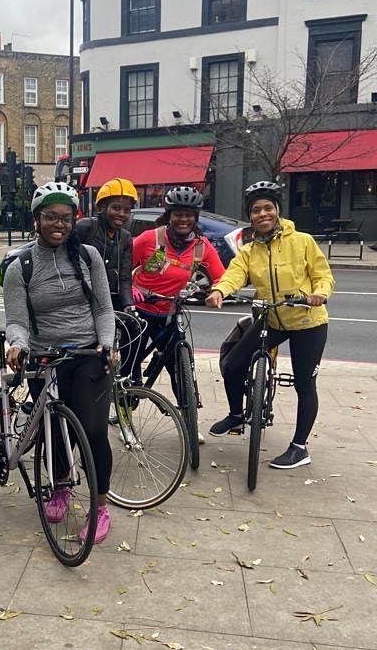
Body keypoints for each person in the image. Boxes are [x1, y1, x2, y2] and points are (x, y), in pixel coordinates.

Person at [3, 181, 117, 545]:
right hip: (44, 358)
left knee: (93, 431)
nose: (58, 224)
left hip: (87, 354)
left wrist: (107, 343)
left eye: (65, 217)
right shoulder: (19, 266)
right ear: (36, 220)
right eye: (50, 217)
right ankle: (60, 488)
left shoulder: (88, 257)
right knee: (53, 430)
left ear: (74, 220)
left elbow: (103, 307)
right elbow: (17, 319)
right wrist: (18, 344)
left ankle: (99, 507)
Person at [206, 180, 335, 469]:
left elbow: (323, 276)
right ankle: (237, 415)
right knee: (233, 363)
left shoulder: (302, 241)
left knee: (305, 383)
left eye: (267, 208)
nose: (262, 214)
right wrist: (219, 291)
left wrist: (319, 295)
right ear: (250, 216)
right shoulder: (249, 251)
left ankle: (299, 447)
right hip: (272, 319)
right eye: (255, 210)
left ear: (277, 210)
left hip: (307, 321)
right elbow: (233, 276)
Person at [130, 186, 225, 425]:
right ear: (169, 215)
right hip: (140, 310)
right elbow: (122, 269)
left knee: (178, 365)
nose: (183, 219)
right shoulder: (149, 239)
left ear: (196, 217)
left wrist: (217, 290)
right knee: (130, 362)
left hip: (170, 312)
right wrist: (128, 290)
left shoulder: (201, 246)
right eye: (178, 214)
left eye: (189, 215)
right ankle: (126, 411)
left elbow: (221, 275)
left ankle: (188, 418)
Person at [73, 177, 137, 311]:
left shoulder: (126, 238)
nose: (122, 214)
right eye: (116, 208)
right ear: (102, 207)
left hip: (110, 304)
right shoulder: (85, 227)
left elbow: (124, 278)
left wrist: (128, 305)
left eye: (127, 210)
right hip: (81, 303)